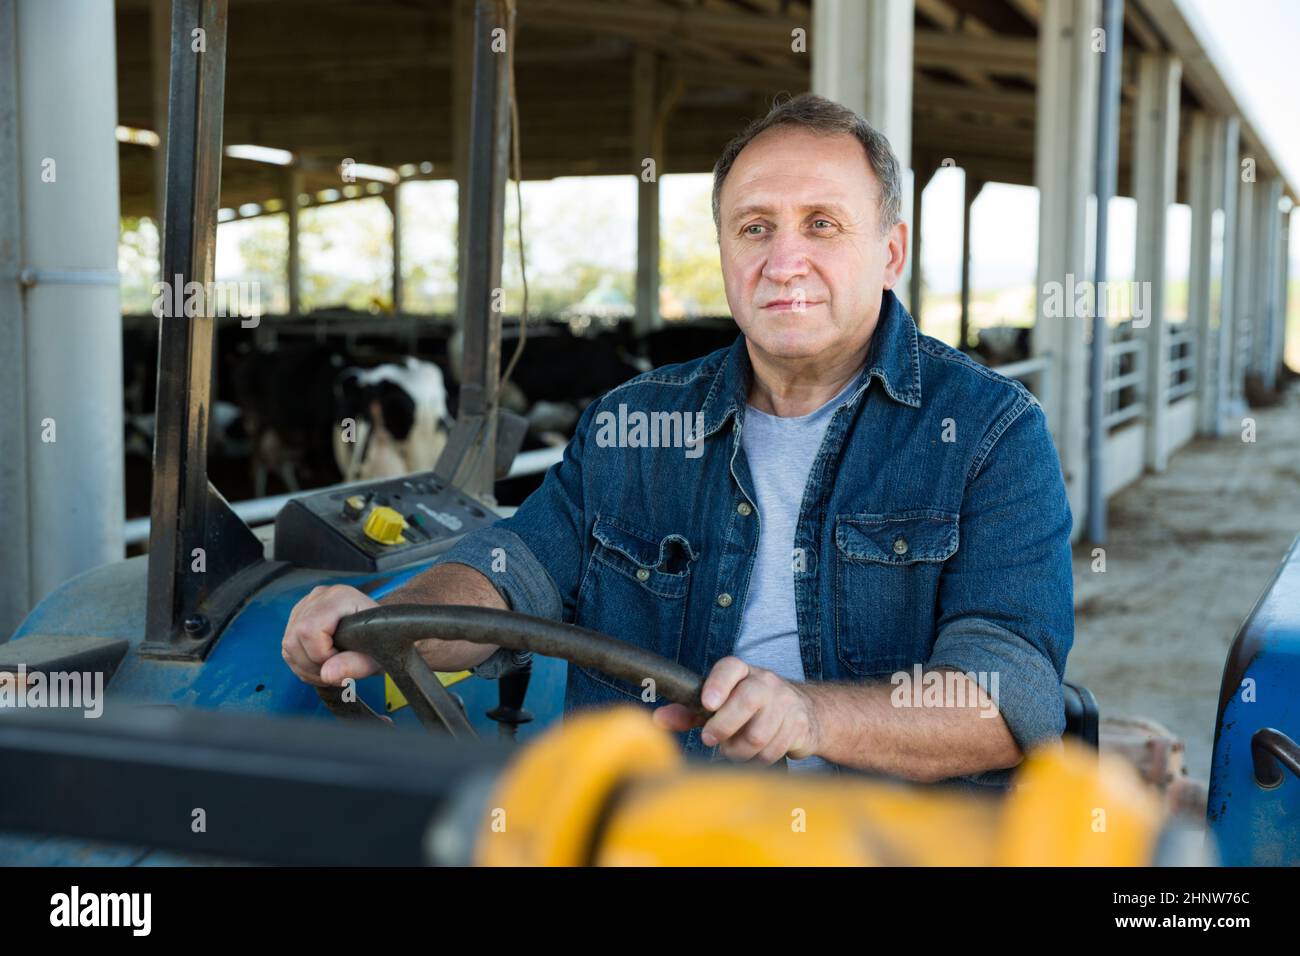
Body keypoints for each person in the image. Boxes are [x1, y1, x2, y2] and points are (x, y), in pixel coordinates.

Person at [282, 92, 1073, 786]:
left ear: (890, 251)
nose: (783, 260)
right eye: (754, 227)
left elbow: (1009, 698)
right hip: (651, 833)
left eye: (822, 225)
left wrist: (808, 715)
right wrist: (388, 615)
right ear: (725, 251)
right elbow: (510, 571)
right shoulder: (634, 424)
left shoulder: (990, 433)